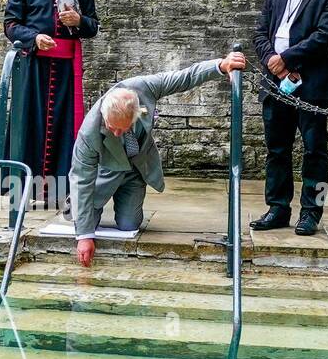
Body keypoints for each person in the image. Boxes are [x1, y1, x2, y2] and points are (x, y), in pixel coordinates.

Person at [70, 51, 249, 267]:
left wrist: (220, 65)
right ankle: (75, 209)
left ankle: (121, 201)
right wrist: (84, 236)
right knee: (83, 221)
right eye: (111, 128)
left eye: (122, 128)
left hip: (135, 169)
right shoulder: (88, 134)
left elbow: (185, 77)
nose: (117, 133)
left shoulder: (144, 87)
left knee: (130, 225)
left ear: (137, 112)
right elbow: (81, 178)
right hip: (104, 173)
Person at [251, 0, 328, 236]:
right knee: (276, 149)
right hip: (275, 83)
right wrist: (272, 61)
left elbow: (324, 36)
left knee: (316, 150)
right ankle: (277, 207)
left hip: (312, 86)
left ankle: (313, 212)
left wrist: (287, 59)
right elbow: (259, 34)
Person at [2, 0, 99, 207]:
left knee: (65, 126)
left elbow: (93, 26)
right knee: (28, 123)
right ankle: (23, 190)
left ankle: (63, 190)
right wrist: (34, 38)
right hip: (33, 66)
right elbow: (10, 24)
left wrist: (78, 21)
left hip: (67, 68)